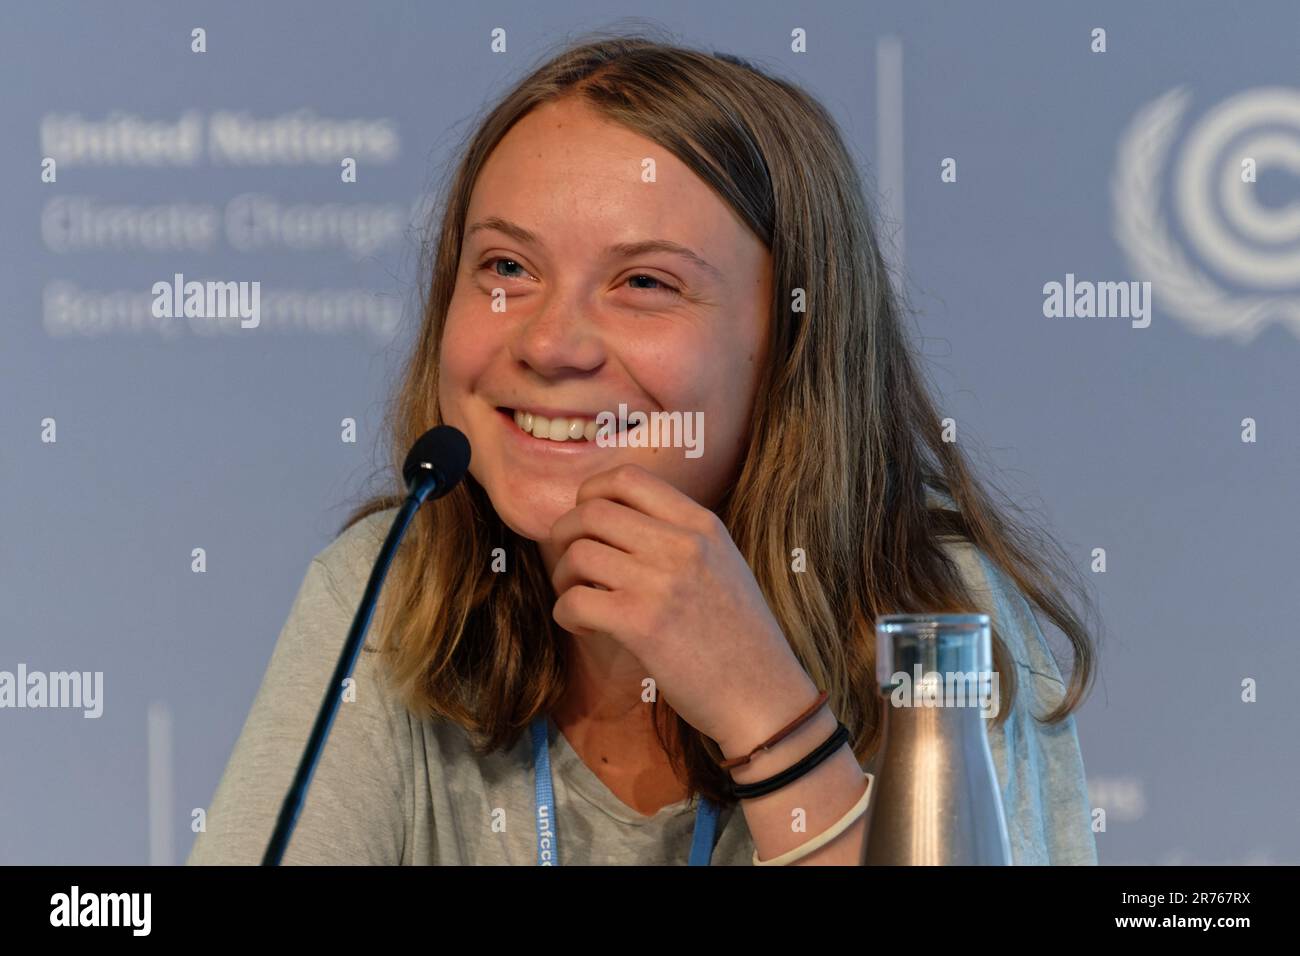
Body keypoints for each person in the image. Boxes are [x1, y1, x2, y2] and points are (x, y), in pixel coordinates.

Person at [188, 32, 1100, 866]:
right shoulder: (385, 594)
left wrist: (768, 717)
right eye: (506, 268)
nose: (549, 344)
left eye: (644, 282)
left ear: (791, 346)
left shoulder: (936, 620)